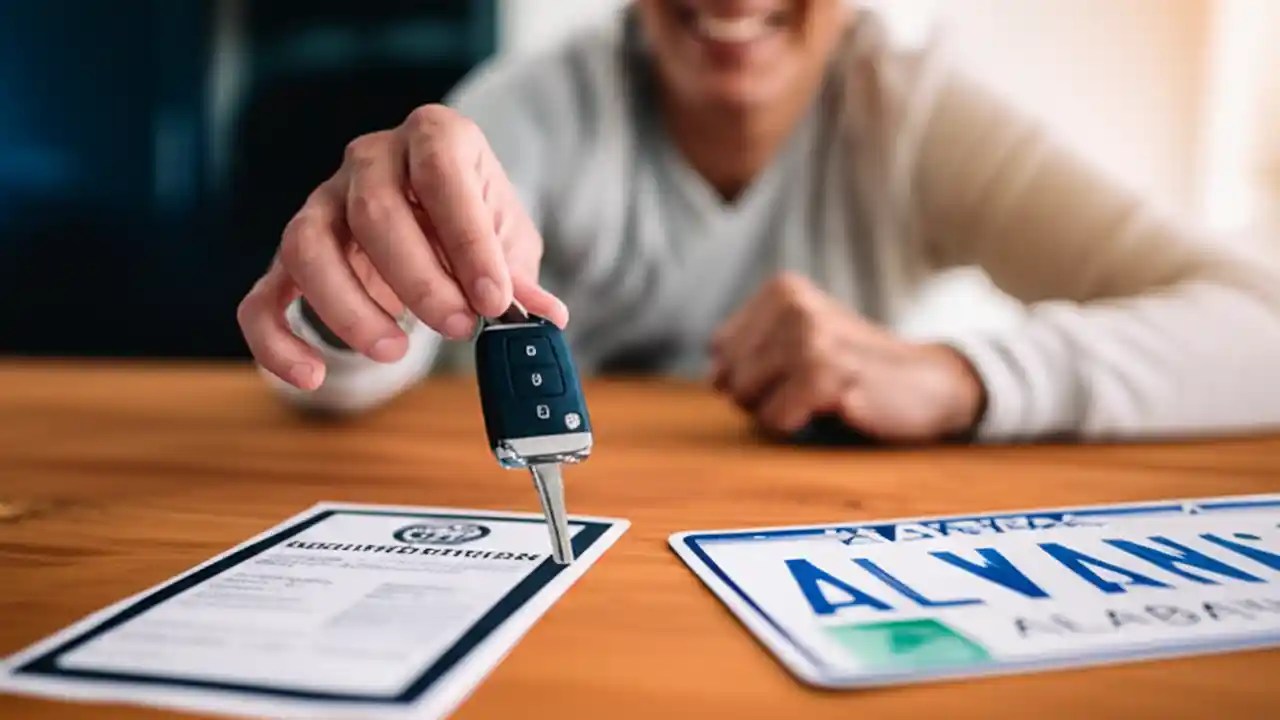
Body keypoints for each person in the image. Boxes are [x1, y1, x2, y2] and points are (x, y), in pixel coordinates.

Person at [237, 0, 1280, 443]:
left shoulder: (913, 111)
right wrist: (356, 296)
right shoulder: (543, 104)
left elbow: (1262, 325)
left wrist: (964, 376)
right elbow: (365, 369)